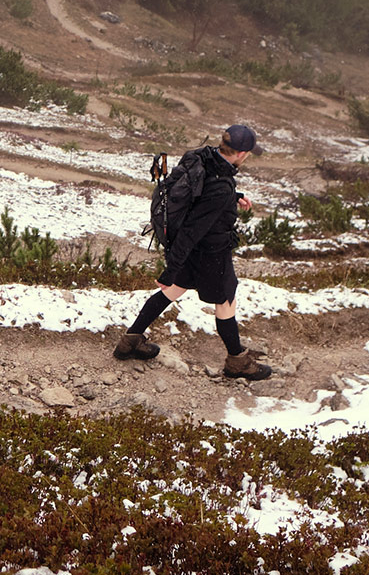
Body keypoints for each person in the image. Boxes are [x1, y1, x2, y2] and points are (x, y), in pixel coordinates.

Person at [116, 123, 272, 381]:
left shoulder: (201, 156)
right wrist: (170, 270)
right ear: (242, 154)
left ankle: (130, 340)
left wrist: (234, 196)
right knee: (225, 302)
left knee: (173, 291)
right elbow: (193, 228)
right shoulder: (221, 187)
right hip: (209, 253)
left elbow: (199, 192)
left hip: (187, 249)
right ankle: (237, 362)